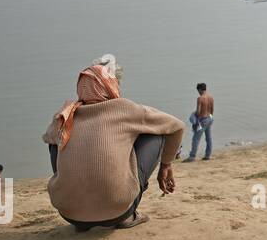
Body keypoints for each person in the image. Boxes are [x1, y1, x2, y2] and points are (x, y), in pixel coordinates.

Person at [42, 55, 184, 231]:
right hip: (118, 212)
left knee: (55, 139)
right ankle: (128, 217)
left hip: (69, 214)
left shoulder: (64, 115)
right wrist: (166, 166)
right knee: (156, 134)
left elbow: (47, 137)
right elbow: (176, 126)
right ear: (111, 85)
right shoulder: (125, 109)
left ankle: (75, 197)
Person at [186, 83, 216, 162]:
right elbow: (212, 110)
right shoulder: (211, 97)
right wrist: (210, 118)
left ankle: (192, 156)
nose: (198, 92)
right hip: (209, 118)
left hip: (202, 120)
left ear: (199, 89)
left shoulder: (200, 98)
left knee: (196, 139)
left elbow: (198, 112)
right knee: (208, 138)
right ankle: (208, 155)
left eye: (198, 90)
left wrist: (195, 121)